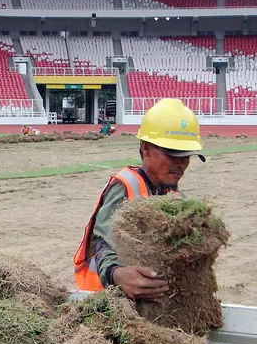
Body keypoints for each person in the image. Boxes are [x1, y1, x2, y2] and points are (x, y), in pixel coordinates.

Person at [72, 98, 203, 300]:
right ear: (145, 148)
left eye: (186, 156)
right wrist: (116, 275)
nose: (180, 164)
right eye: (172, 154)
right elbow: (101, 243)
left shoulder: (178, 199)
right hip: (104, 300)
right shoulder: (126, 186)